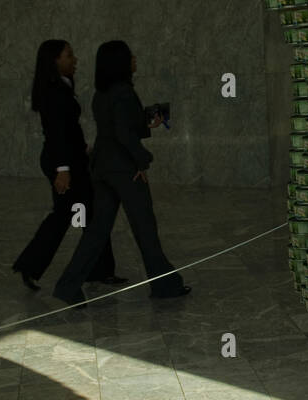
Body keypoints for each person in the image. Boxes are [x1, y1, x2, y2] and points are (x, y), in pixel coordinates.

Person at [53, 40, 190, 305]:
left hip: (102, 167)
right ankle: (165, 285)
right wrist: (142, 161)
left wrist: (148, 120)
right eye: (131, 56)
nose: (135, 59)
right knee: (144, 227)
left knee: (97, 231)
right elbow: (123, 134)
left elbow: (121, 125)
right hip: (123, 168)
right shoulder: (124, 92)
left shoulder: (101, 94)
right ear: (120, 63)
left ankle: (67, 285)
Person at [12, 40, 123, 291]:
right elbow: (56, 133)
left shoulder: (61, 86)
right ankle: (34, 265)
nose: (75, 59)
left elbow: (68, 128)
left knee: (86, 215)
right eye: (69, 55)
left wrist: (81, 148)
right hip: (64, 163)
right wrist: (63, 169)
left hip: (70, 159)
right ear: (55, 60)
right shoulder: (54, 90)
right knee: (72, 215)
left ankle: (98, 269)